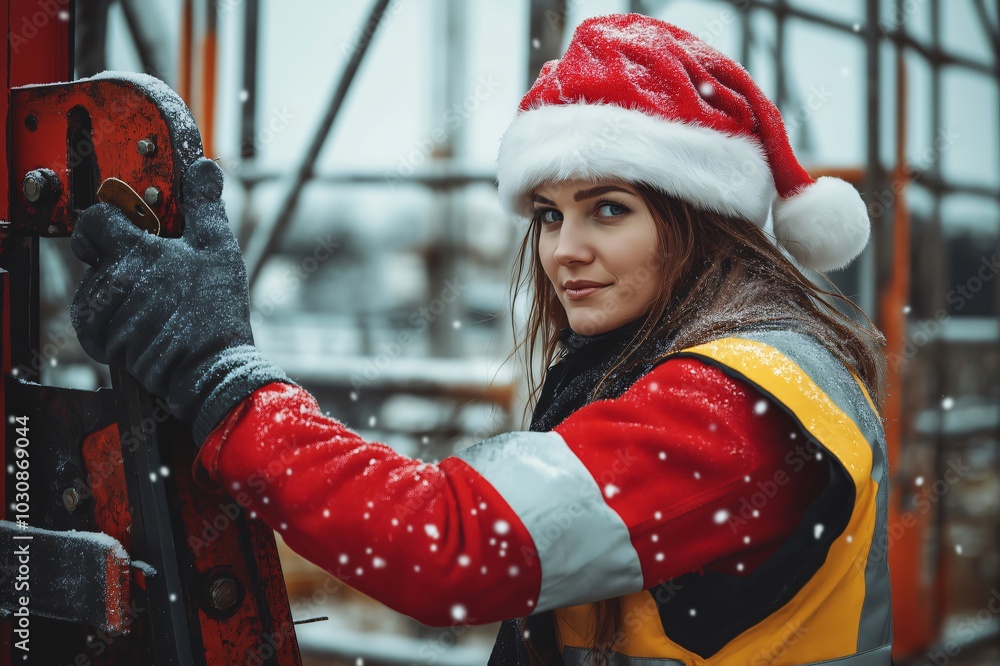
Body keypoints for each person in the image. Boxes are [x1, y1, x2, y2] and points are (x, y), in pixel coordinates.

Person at [70, 13, 891, 666]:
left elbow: (451, 548)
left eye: (609, 209)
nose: (564, 250)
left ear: (703, 221)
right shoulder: (679, 362)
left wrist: (221, 377)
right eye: (550, 214)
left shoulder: (737, 401)